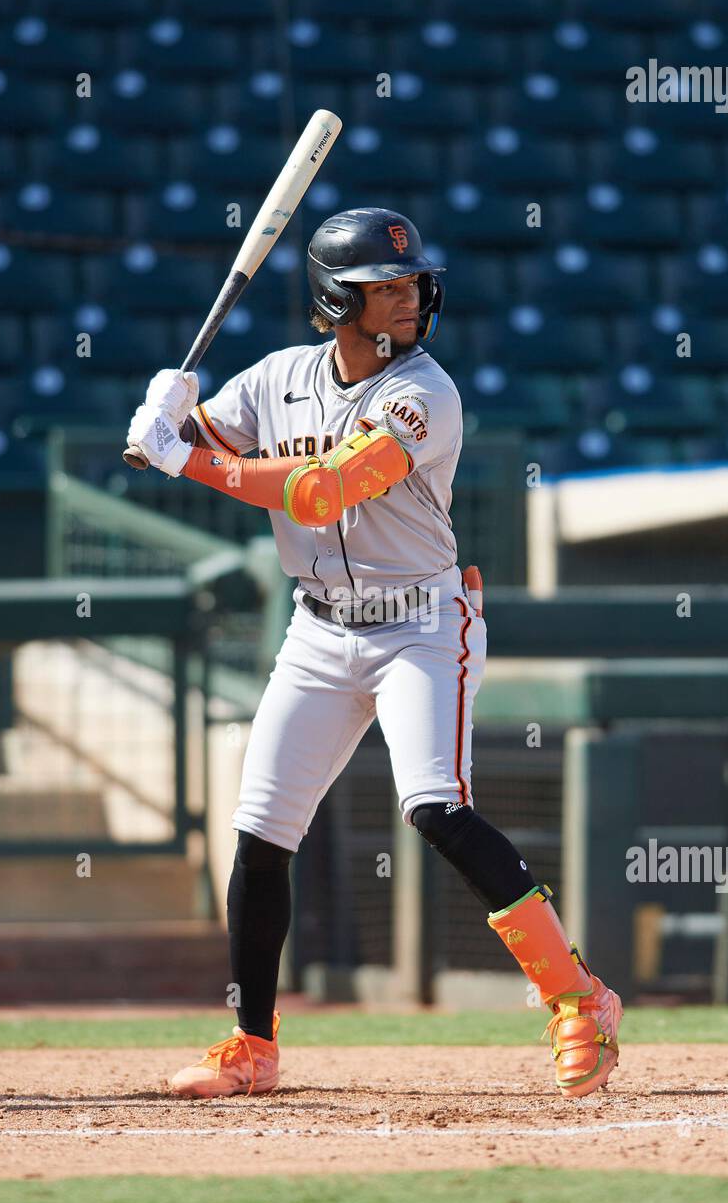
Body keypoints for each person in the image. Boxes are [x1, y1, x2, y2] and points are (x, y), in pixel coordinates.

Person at [126, 207, 623, 1101]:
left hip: (421, 625)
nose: (406, 301)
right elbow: (204, 441)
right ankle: (252, 1044)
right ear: (333, 300)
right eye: (382, 290)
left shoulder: (425, 391)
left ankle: (576, 998)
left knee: (436, 807)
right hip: (318, 628)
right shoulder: (278, 379)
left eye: (409, 285)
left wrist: (180, 460)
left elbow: (326, 489)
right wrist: (169, 417)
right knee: (262, 833)